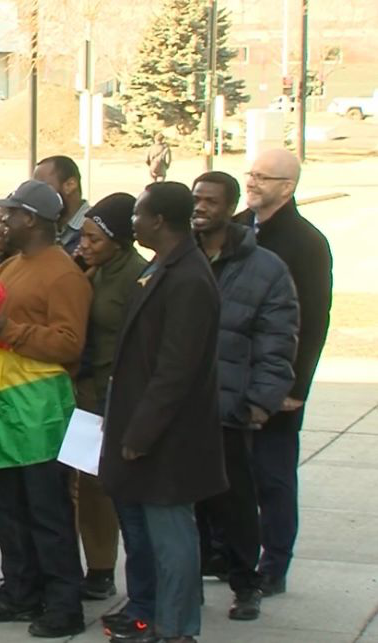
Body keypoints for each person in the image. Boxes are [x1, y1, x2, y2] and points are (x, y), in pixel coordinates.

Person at [100, 182, 227, 643]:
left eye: (137, 214)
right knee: (153, 536)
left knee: (173, 538)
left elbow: (177, 369)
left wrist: (140, 433)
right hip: (143, 425)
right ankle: (155, 619)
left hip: (169, 438)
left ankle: (176, 630)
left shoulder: (189, 278)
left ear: (158, 221)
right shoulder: (163, 268)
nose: (132, 222)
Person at [0, 179, 92, 638]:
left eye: (9, 214)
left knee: (47, 509)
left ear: (32, 220)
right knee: (8, 504)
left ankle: (64, 603)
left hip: (40, 410)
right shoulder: (9, 267)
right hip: (3, 408)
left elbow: (69, 343)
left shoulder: (62, 274)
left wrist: (10, 332)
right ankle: (20, 588)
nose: (0, 221)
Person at [192, 170, 299, 622]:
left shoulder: (265, 269)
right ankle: (187, 581)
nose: (200, 207)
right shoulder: (177, 258)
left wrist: (260, 401)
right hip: (180, 408)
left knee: (235, 501)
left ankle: (245, 582)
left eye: (211, 201)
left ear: (231, 206)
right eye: (196, 199)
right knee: (184, 502)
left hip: (229, 407)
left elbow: (279, 341)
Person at [233, 149, 333, 596]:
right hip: (231, 377)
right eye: (250, 174)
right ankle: (232, 554)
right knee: (234, 475)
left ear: (287, 187)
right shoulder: (235, 228)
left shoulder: (306, 243)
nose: (251, 182)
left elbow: (314, 320)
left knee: (272, 476)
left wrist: (296, 386)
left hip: (278, 383)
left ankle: (273, 564)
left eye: (263, 177)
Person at [72, 193, 148, 605]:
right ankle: (90, 564)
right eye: (82, 237)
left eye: (93, 240)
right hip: (86, 393)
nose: (84, 246)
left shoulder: (135, 277)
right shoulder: (93, 271)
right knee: (84, 484)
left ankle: (103, 569)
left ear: (118, 241)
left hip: (112, 397)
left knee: (103, 488)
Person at [32, 155, 89, 257]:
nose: (37, 194)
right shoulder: (46, 224)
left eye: (42, 187)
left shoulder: (95, 229)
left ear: (70, 185)